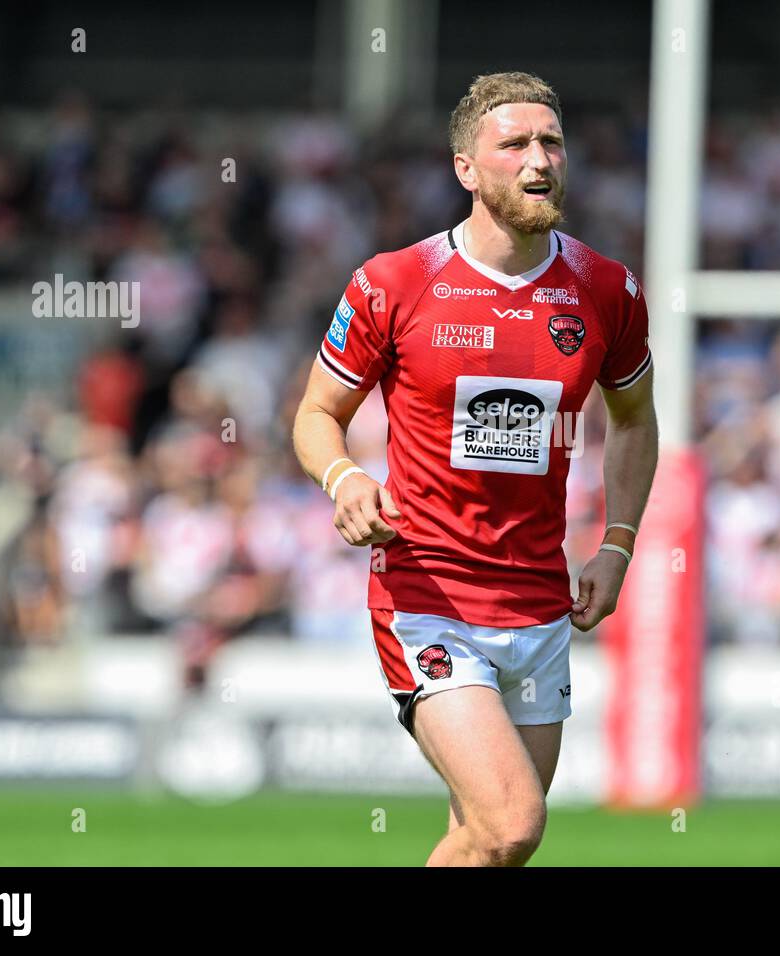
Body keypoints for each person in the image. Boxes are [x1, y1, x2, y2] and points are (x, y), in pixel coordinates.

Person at [292, 71, 659, 866]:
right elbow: (317, 414)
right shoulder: (395, 282)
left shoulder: (604, 288)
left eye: (551, 142)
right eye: (515, 144)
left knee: (487, 847)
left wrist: (619, 544)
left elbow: (634, 420)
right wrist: (347, 481)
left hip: (539, 598)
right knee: (516, 820)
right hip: (428, 593)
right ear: (466, 168)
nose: (539, 160)